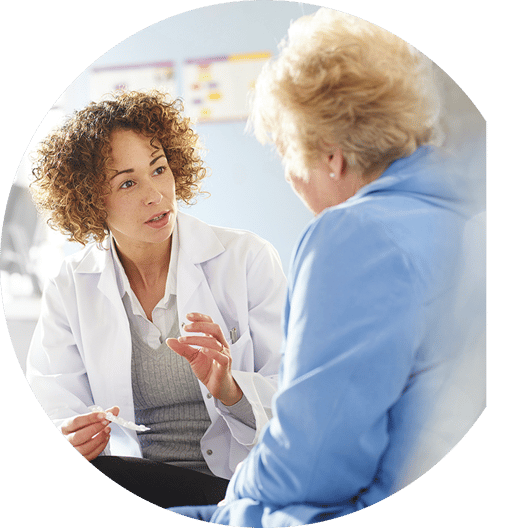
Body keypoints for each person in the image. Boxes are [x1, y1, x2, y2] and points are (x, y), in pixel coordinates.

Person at [170, 8, 486, 527]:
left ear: (332, 158)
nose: (291, 179)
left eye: (287, 155)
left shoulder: (355, 234)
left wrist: (233, 497)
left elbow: (310, 463)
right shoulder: (463, 217)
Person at [25, 90, 287, 508]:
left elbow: (294, 402)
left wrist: (231, 389)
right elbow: (53, 405)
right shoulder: (70, 286)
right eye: (128, 183)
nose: (156, 195)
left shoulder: (246, 259)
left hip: (239, 483)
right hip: (131, 481)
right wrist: (70, 435)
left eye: (159, 169)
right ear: (89, 200)